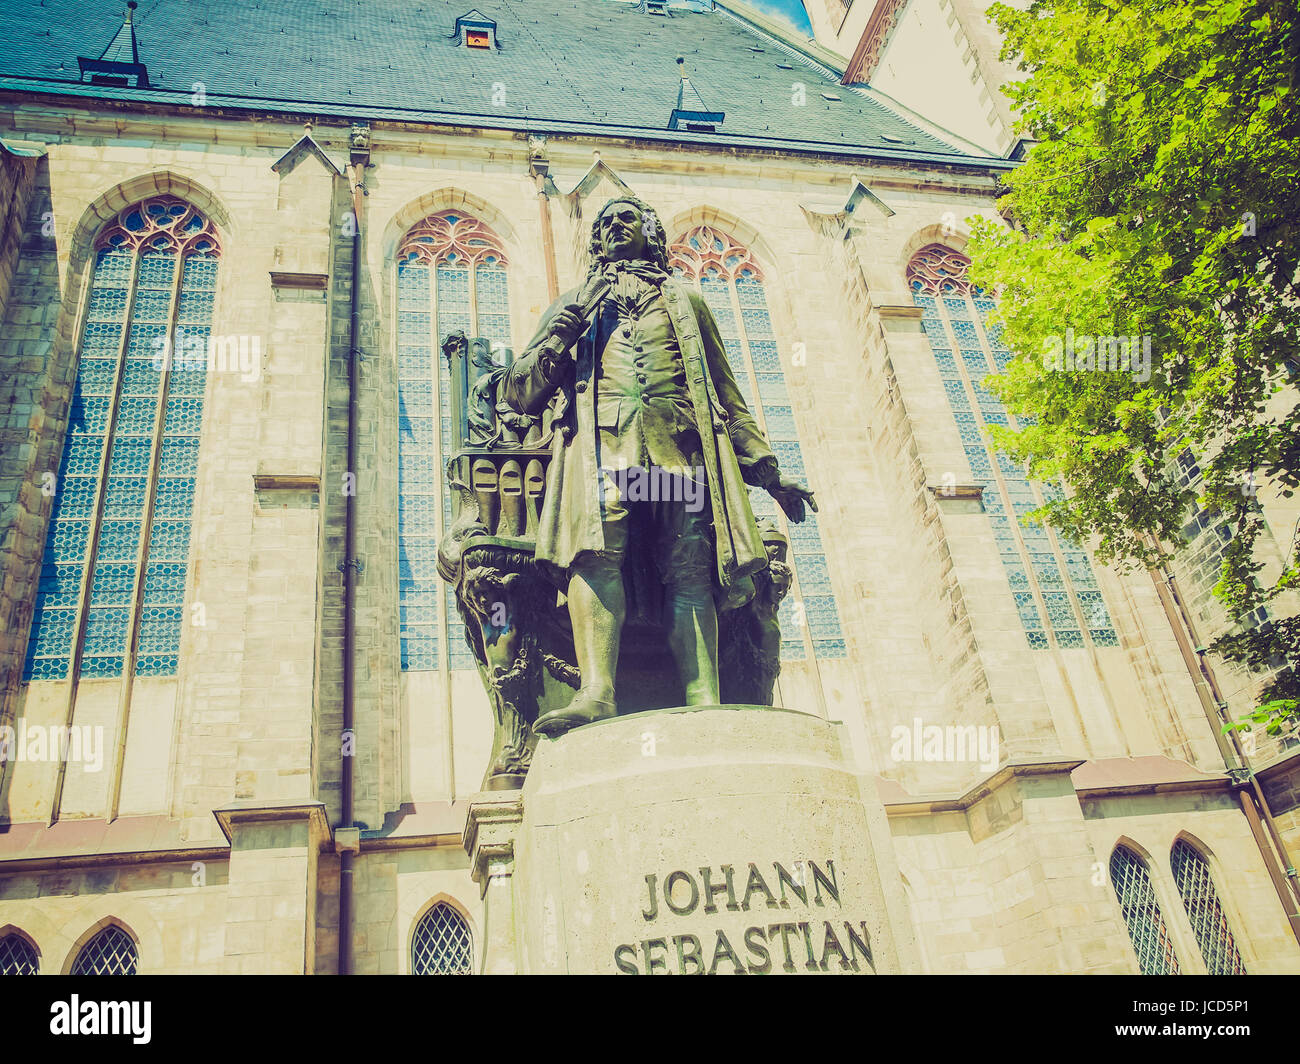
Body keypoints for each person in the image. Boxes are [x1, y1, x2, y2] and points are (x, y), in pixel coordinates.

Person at [501, 196, 814, 735]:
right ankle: (597, 692)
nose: (615, 228)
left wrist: (768, 472)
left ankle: (703, 697)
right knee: (594, 557)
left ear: (651, 233)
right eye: (604, 224)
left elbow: (728, 396)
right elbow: (519, 392)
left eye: (627, 219)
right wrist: (564, 331)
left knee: (691, 569)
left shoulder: (687, 302)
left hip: (682, 449)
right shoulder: (574, 304)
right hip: (601, 450)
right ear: (595, 242)